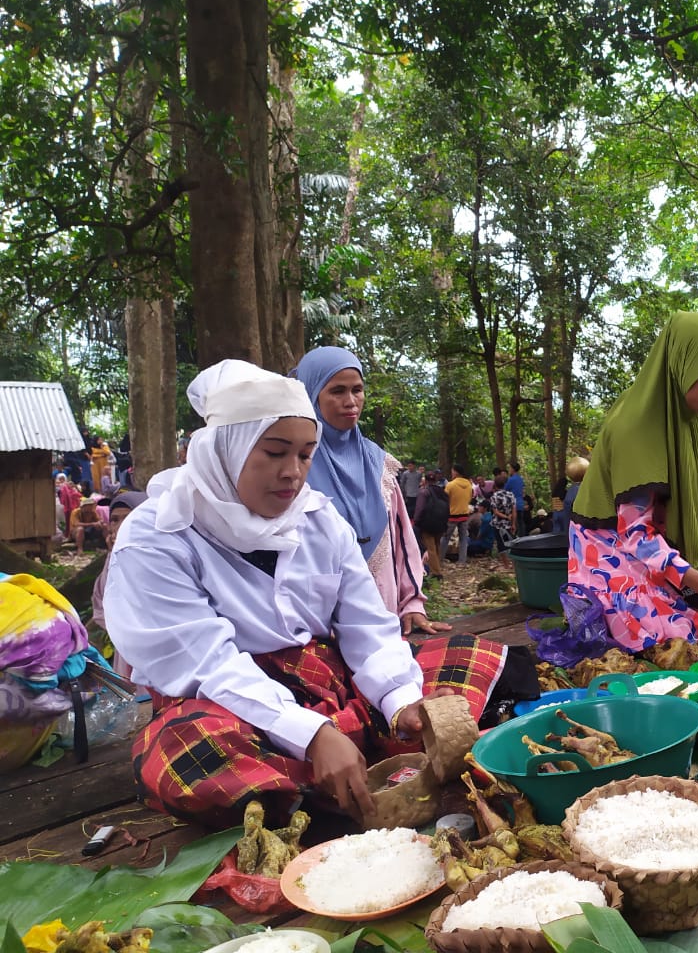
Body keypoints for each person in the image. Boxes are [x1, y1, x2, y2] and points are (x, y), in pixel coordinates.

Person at [103, 360, 519, 828]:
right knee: (186, 751)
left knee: (460, 655)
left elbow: (367, 625)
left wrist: (401, 701)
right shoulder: (159, 533)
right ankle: (332, 767)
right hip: (229, 705)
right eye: (275, 452)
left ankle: (339, 765)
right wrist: (311, 733)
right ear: (226, 452)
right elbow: (206, 663)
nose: (293, 473)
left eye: (305, 455)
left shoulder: (318, 519)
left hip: (330, 683)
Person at [569, 309, 698, 650]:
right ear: (681, 365)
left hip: (674, 548)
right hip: (611, 548)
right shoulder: (636, 427)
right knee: (676, 638)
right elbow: (635, 534)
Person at [293, 347, 449, 636]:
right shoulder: (294, 464)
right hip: (318, 626)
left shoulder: (378, 464)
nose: (351, 402)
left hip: (383, 617)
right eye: (337, 391)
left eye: (357, 389)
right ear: (310, 394)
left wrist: (412, 602)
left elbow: (402, 541)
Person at [90, 490, 147, 688]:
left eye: (129, 517)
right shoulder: (114, 556)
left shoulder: (161, 556)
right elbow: (102, 600)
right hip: (126, 649)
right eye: (115, 519)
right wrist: (114, 554)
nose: (121, 525)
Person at [414, 469, 449, 579]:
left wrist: (417, 521)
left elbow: (419, 508)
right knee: (437, 546)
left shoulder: (424, 492)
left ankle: (436, 573)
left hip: (428, 524)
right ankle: (437, 567)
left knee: (430, 548)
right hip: (441, 523)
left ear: (426, 480)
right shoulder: (442, 492)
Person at [443, 463, 473, 564]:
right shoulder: (469, 485)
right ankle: (462, 560)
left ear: (455, 472)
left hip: (452, 516)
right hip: (464, 515)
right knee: (463, 539)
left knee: (445, 538)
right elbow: (469, 498)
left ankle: (440, 558)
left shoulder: (450, 485)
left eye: (452, 471)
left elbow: (445, 500)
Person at [490, 472, 517, 566]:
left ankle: (506, 564)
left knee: (501, 544)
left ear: (495, 485)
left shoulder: (494, 496)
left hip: (497, 524)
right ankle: (514, 562)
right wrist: (513, 523)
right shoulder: (511, 495)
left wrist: (505, 517)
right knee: (510, 542)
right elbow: (514, 511)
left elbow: (495, 512)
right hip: (508, 523)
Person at [507, 462, 526, 536]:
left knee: (513, 523)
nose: (509, 470)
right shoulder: (520, 479)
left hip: (513, 504)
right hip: (520, 503)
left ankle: (514, 540)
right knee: (521, 522)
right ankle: (523, 539)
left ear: (513, 469)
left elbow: (505, 490)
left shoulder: (511, 479)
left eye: (510, 468)